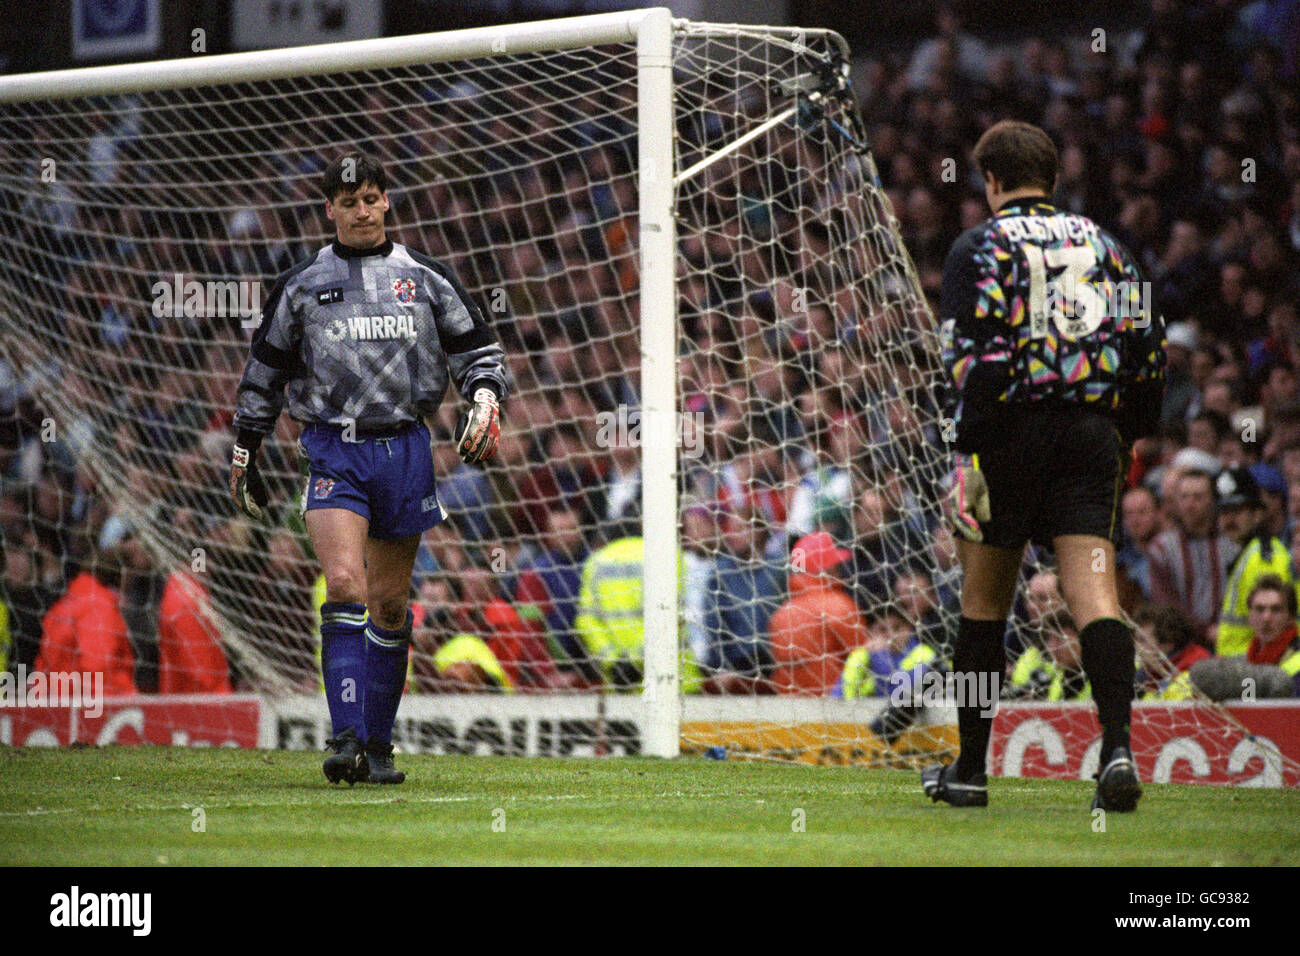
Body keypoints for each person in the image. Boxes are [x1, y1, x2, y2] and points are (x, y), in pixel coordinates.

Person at [228, 152, 507, 785]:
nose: (362, 210)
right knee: (345, 584)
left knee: (388, 604)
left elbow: (477, 352)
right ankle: (345, 735)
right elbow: (264, 372)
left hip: (405, 448)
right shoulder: (301, 285)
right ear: (329, 210)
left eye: (372, 198)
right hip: (334, 449)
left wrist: (486, 398)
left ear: (386, 202)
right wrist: (247, 447)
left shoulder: (426, 277)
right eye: (348, 201)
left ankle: (377, 747)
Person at [925, 120, 1165, 812]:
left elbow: (973, 360)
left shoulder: (980, 247)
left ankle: (970, 771)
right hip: (1091, 437)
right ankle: (1117, 751)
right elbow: (1148, 352)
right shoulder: (1108, 246)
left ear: (991, 182)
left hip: (1009, 435)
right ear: (1053, 180)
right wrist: (1131, 432)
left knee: (983, 608)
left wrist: (967, 443)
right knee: (1096, 597)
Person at [768, 532, 868, 695]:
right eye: (836, 564)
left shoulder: (780, 614)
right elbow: (863, 659)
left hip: (789, 710)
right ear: (827, 569)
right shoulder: (840, 606)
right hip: (836, 707)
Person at [1147, 468, 1239, 640]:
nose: (1190, 504)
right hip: (1182, 643)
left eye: (1198, 497)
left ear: (1212, 500)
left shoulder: (1232, 543)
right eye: (1184, 497)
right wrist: (1205, 631)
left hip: (1229, 638)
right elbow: (1165, 604)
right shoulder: (1162, 548)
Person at [1212, 466, 1293, 657]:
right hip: (1240, 664)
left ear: (1257, 514)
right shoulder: (1248, 553)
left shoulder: (1264, 559)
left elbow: (1274, 632)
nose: (1229, 519)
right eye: (1224, 512)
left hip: (1254, 667)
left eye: (1237, 511)